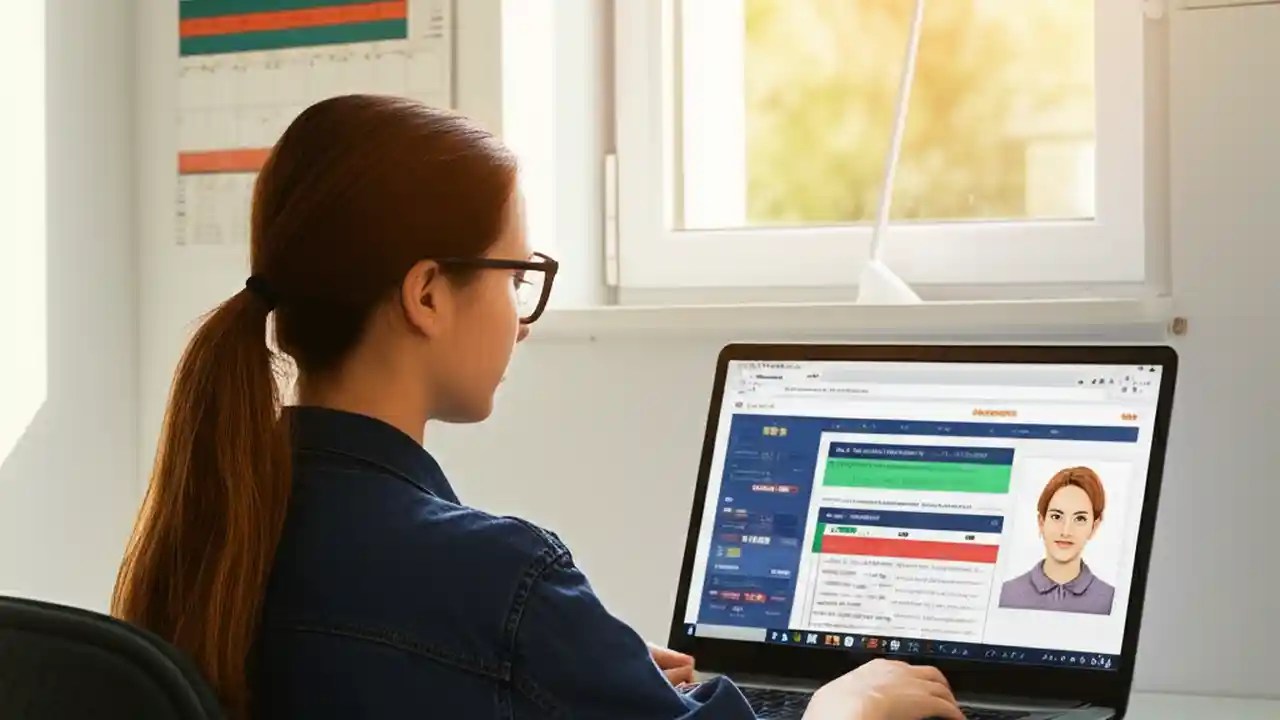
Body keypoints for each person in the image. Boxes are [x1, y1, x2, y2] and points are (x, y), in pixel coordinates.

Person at [111, 95, 962, 720]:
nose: (522, 320)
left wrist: (572, 668)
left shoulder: (209, 532)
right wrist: (848, 710)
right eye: (516, 278)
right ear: (427, 295)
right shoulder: (499, 576)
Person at [998, 466, 1116, 615]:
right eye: (1056, 516)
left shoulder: (1111, 601)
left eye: (1079, 519)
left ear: (1094, 526)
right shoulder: (1006, 595)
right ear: (1041, 522)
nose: (1066, 532)